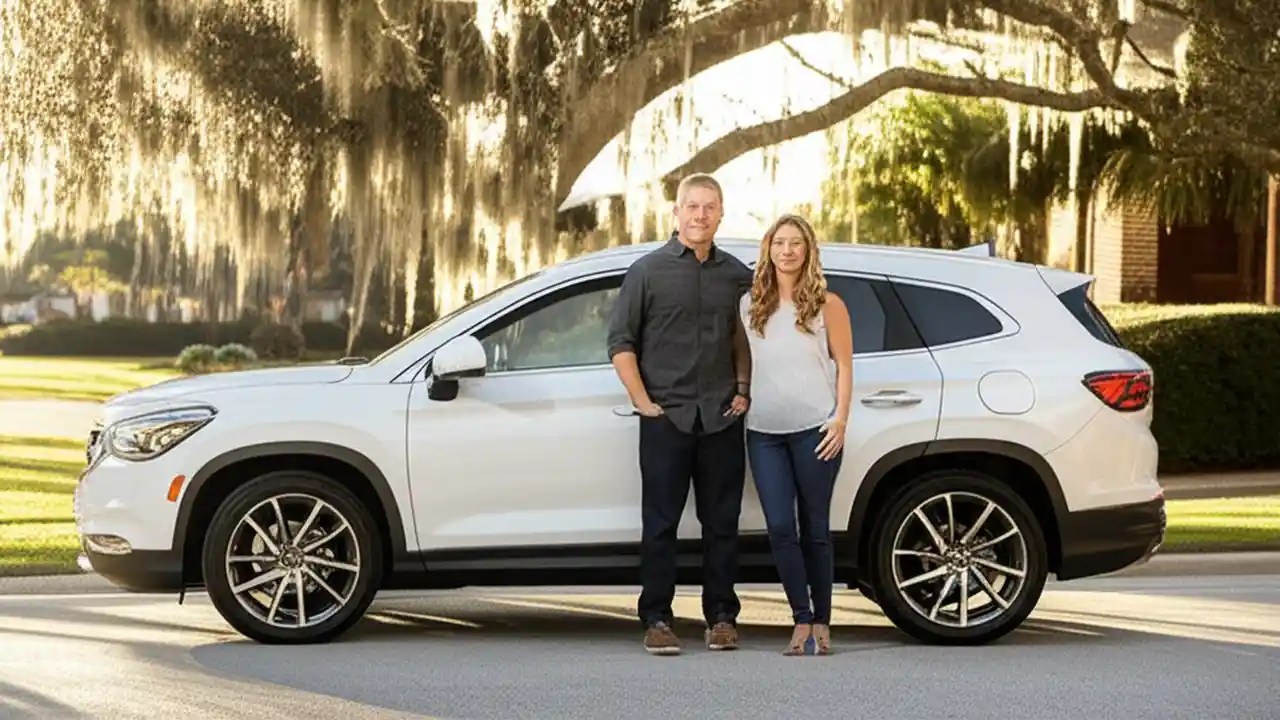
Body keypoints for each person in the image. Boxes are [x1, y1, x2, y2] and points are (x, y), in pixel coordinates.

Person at [606, 172, 753, 656]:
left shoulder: (737, 275)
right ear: (676, 212)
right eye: (692, 207)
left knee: (722, 523)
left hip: (720, 419)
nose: (700, 215)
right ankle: (657, 618)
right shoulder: (647, 272)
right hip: (666, 418)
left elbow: (749, 341)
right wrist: (641, 400)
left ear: (721, 213)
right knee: (661, 523)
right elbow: (621, 342)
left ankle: (722, 616)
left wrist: (743, 391)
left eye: (709, 207)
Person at [740, 213, 853, 656]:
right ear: (768, 250)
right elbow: (744, 361)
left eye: (796, 243)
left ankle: (823, 622)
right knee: (781, 527)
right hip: (763, 432)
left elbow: (844, 365)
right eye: (779, 243)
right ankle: (800, 619)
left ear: (809, 251)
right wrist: (740, 394)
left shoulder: (829, 305)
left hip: (815, 430)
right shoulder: (748, 305)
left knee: (816, 528)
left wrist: (840, 418)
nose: (787, 251)